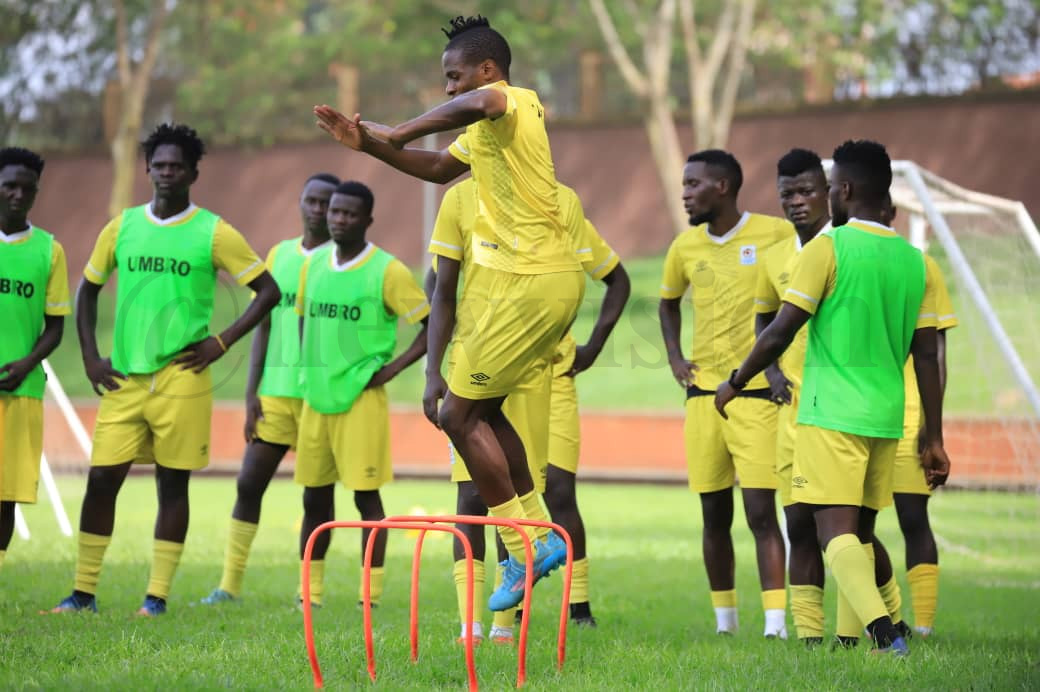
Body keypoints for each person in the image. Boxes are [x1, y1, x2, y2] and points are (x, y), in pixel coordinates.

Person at [314, 15, 582, 610]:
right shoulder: (488, 133)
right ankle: (536, 533)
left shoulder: (511, 99)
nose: (449, 88)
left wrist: (399, 132)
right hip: (541, 283)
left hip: (531, 281)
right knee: (482, 410)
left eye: (454, 77)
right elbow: (438, 169)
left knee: (456, 416)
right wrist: (369, 143)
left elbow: (478, 104)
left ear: (487, 69)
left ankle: (521, 548)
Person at [715, 139, 951, 655]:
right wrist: (934, 436)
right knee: (860, 533)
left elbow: (779, 329)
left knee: (833, 533)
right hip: (887, 416)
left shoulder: (827, 249)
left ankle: (885, 633)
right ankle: (846, 642)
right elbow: (928, 358)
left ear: (843, 190)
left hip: (831, 413)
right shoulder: (918, 263)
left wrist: (736, 380)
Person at [49, 124, 280, 616]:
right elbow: (87, 290)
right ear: (147, 170)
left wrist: (220, 342)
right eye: (159, 165)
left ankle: (155, 598)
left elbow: (268, 291)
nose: (167, 172)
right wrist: (90, 357)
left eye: (177, 166)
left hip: (183, 379)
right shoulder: (122, 227)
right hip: (124, 379)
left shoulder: (214, 232)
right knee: (101, 479)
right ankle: (82, 594)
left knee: (172, 485)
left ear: (194, 173)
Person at [427, 177, 629, 642]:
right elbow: (439, 285)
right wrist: (433, 368)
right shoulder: (460, 199)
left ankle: (508, 629)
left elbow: (603, 279)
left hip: (536, 370)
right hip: (474, 360)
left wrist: (592, 347)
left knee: (537, 489)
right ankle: (470, 627)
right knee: (471, 496)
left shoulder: (559, 201)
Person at [659, 150, 792, 638]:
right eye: (684, 184)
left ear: (723, 186)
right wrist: (675, 358)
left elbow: (794, 303)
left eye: (693, 184)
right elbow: (667, 304)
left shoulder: (776, 234)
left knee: (761, 513)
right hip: (701, 399)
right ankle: (725, 623)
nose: (685, 194)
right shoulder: (683, 247)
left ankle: (775, 624)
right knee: (713, 515)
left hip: (756, 396)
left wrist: (776, 367)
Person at [199, 173, 340, 605]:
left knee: (317, 496)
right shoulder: (278, 255)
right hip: (275, 393)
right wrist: (250, 393)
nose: (318, 210)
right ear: (300, 203)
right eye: (311, 201)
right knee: (248, 483)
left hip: (321, 397)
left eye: (326, 203)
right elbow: (262, 326)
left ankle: (310, 593)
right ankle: (229, 585)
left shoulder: (343, 260)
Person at [294, 181, 429, 608]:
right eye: (335, 211)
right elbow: (303, 318)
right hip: (316, 400)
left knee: (365, 499)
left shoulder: (387, 271)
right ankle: (309, 594)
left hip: (361, 402)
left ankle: (368, 598)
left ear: (368, 220)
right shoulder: (313, 264)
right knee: (314, 499)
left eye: (349, 213)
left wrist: (391, 370)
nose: (338, 219)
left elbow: (433, 326)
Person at [753, 148, 831, 644]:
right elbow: (766, 320)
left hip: (839, 412)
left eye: (806, 192)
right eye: (788, 194)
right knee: (798, 523)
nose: (797, 202)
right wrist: (773, 372)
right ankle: (810, 636)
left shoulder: (843, 248)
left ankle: (887, 622)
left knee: (847, 529)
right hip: (792, 415)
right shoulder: (776, 257)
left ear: (828, 193)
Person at [0, 147, 70, 570]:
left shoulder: (49, 250)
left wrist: (26, 364)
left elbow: (55, 327)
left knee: (5, 496)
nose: (17, 195)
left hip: (21, 390)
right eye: (9, 185)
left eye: (27, 189)